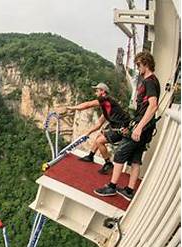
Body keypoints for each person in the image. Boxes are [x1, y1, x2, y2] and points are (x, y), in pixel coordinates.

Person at [94, 51, 160, 200]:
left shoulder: (150, 81)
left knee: (119, 154)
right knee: (135, 159)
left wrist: (138, 127)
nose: (138, 68)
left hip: (142, 125)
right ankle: (129, 191)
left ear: (146, 63)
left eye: (138, 65)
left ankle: (111, 187)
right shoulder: (153, 81)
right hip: (145, 127)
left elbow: (153, 105)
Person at [67, 82, 131, 174]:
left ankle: (108, 163)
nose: (95, 93)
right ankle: (91, 155)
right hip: (115, 126)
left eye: (97, 91)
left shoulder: (105, 99)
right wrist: (89, 132)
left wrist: (72, 108)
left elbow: (88, 104)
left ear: (102, 91)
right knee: (100, 134)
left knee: (99, 141)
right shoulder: (107, 106)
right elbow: (99, 123)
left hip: (121, 128)